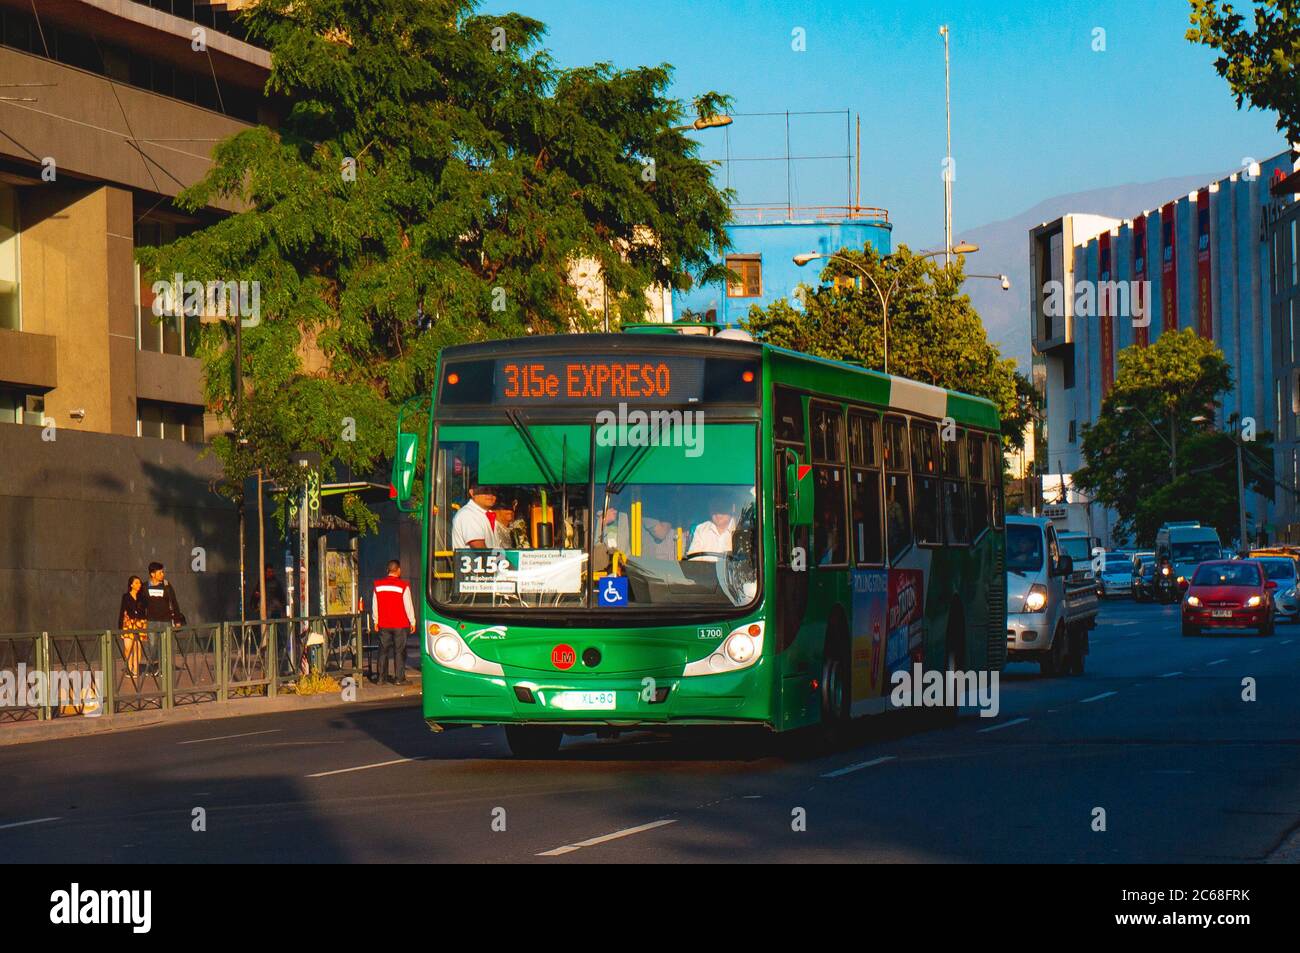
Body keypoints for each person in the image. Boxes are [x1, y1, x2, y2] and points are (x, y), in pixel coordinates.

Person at [371, 559, 416, 684]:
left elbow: (375, 604)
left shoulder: (378, 585)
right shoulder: (403, 586)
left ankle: (381, 678)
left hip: (383, 624)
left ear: (388, 570)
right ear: (399, 571)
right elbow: (408, 605)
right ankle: (399, 679)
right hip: (400, 624)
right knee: (399, 651)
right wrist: (412, 621)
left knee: (382, 651)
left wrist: (376, 621)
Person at [142, 561, 185, 675]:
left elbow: (174, 602)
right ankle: (152, 666)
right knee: (152, 645)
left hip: (165, 621)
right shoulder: (145, 586)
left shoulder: (166, 585)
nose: (162, 574)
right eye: (160, 572)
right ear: (152, 574)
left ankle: (162, 669)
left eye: (163, 572)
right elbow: (141, 603)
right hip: (151, 621)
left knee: (164, 646)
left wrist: (177, 620)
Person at [117, 575, 148, 677]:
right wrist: (120, 626)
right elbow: (122, 610)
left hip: (139, 623)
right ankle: (129, 667)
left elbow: (144, 610)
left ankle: (136, 668)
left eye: (139, 583)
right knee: (128, 647)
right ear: (131, 584)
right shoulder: (125, 596)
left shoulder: (142, 597)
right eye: (136, 583)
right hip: (128, 624)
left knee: (137, 647)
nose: (138, 585)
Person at [687, 498, 735, 562]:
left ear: (732, 508)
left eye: (722, 508)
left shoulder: (741, 529)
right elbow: (693, 561)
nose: (718, 513)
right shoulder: (701, 530)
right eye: (714, 507)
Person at [451, 484, 497, 549]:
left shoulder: (486, 513)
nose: (490, 494)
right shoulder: (468, 514)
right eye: (485, 490)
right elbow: (480, 549)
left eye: (494, 490)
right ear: (472, 493)